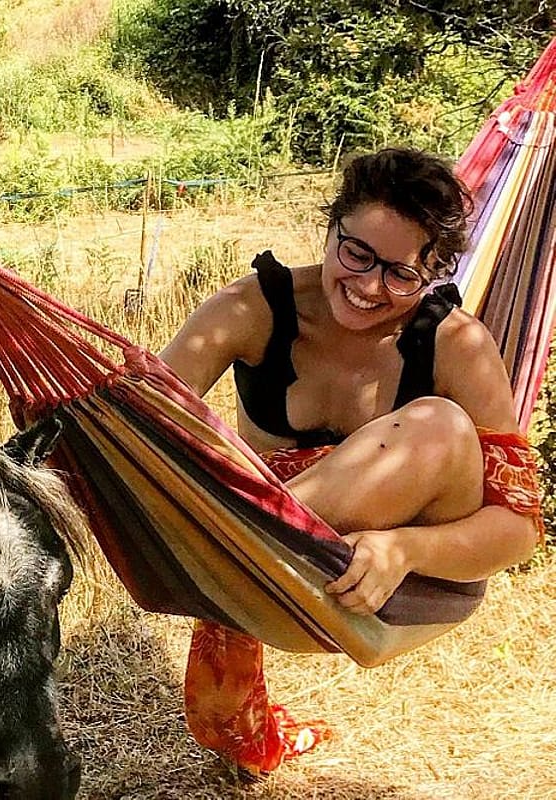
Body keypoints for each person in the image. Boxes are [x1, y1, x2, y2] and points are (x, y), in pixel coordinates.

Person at [157, 147, 542, 776]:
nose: (367, 286)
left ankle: (235, 545)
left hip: (405, 576)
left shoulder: (458, 345)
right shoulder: (253, 308)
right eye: (357, 253)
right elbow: (143, 422)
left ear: (435, 274)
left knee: (439, 424)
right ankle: (242, 544)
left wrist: (405, 550)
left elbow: (520, 528)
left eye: (401, 274)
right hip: (271, 561)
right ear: (331, 224)